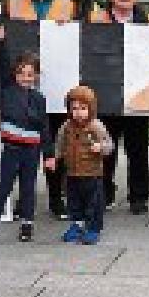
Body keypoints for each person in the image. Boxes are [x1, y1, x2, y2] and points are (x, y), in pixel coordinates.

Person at [0, 0, 75, 218]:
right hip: (25, 87)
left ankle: (57, 199)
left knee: (53, 145)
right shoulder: (13, 4)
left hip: (55, 87)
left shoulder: (67, 6)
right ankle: (24, 201)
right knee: (22, 145)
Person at [92, 0, 149, 214]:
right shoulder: (97, 20)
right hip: (107, 93)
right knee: (106, 148)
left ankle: (139, 197)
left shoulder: (148, 22)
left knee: (137, 149)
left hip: (136, 94)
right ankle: (105, 193)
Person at [0, 51, 51, 242]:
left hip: (32, 151)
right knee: (4, 187)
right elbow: (3, 63)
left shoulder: (39, 98)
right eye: (21, 73)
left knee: (28, 189)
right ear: (14, 74)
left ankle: (27, 225)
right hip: (11, 151)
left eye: (30, 74)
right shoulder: (8, 90)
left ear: (36, 76)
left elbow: (44, 127)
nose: (25, 78)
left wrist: (49, 155)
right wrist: (1, 43)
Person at [55, 86, 114, 245]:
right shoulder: (66, 127)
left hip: (92, 174)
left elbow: (109, 145)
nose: (78, 112)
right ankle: (77, 225)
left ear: (91, 108)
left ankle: (93, 228)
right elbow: (60, 144)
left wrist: (100, 148)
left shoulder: (96, 126)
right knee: (73, 201)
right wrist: (55, 157)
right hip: (72, 173)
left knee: (94, 203)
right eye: (74, 108)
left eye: (83, 108)